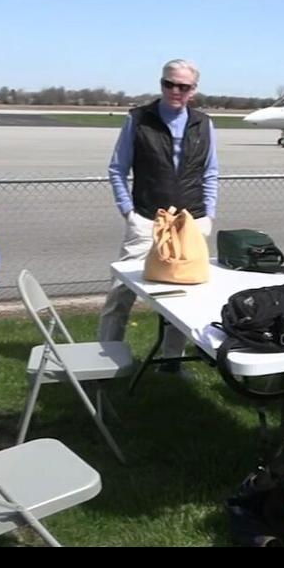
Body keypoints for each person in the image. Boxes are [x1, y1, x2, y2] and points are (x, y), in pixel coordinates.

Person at [99, 59, 218, 373]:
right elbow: (117, 169)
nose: (175, 91)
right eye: (169, 84)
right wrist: (129, 213)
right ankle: (105, 359)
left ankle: (170, 362)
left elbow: (211, 173)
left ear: (193, 90)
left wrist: (208, 215)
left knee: (181, 297)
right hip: (147, 220)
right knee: (120, 293)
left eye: (183, 86)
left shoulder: (203, 123)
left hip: (190, 223)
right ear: (161, 84)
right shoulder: (139, 120)